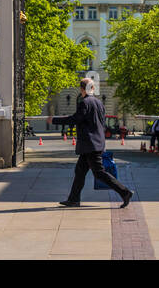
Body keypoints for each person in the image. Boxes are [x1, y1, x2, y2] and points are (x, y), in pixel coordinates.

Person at [50, 77, 133, 208]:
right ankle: (73, 199)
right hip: (94, 143)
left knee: (99, 173)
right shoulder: (99, 103)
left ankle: (125, 192)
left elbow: (75, 119)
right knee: (80, 172)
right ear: (93, 88)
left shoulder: (85, 103)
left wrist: (54, 120)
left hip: (90, 144)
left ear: (82, 89)